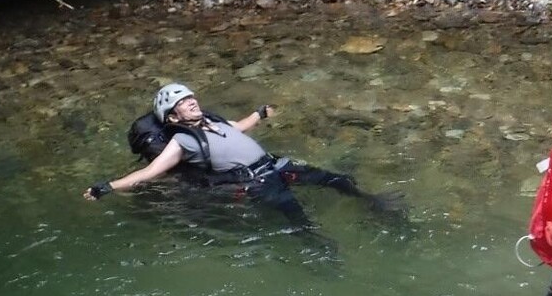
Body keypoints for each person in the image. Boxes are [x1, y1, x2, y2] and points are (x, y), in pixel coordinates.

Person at [84, 83, 385, 226]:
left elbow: (240, 126)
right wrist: (107, 187)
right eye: (183, 102)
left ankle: (375, 203)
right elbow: (148, 173)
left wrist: (260, 114)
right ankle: (319, 251)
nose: (192, 101)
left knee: (337, 180)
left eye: (190, 97)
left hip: (276, 166)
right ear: (172, 117)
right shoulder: (182, 140)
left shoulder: (213, 121)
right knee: (298, 217)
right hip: (257, 182)